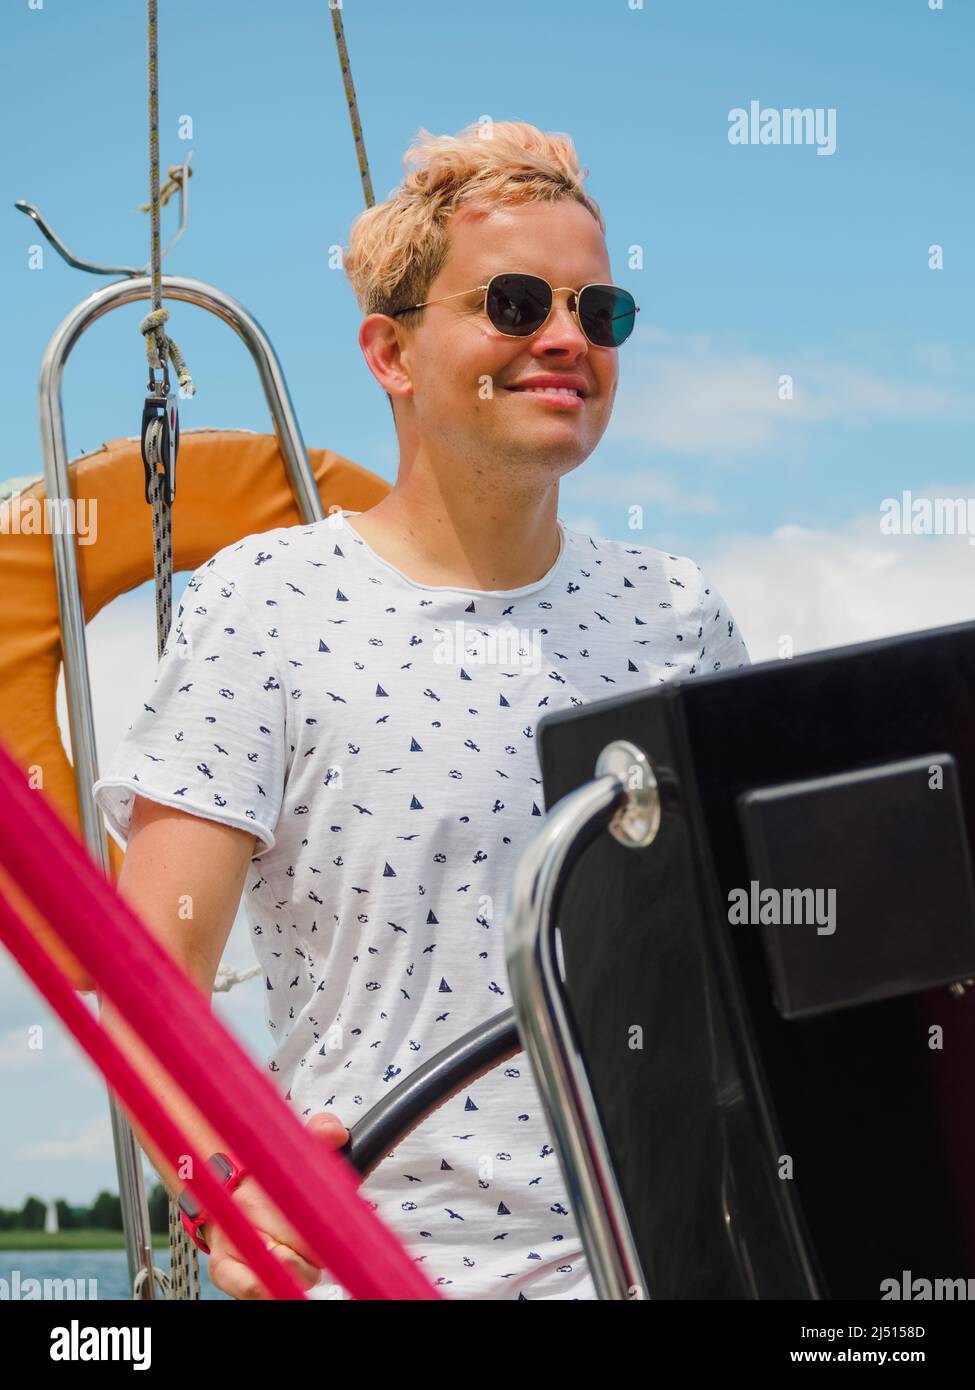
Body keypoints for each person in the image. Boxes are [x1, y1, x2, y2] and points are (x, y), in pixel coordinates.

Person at [93, 119, 750, 1301]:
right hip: (373, 1272)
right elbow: (147, 975)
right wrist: (217, 1181)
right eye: (513, 303)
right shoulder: (267, 606)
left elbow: (750, 960)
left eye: (601, 313)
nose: (565, 339)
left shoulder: (677, 615)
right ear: (390, 354)